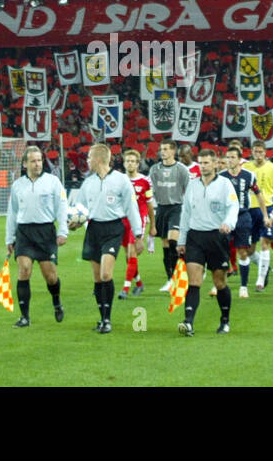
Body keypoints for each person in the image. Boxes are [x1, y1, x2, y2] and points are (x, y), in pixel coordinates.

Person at [74, 143, 143, 334]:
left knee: (106, 274)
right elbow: (78, 208)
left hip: (113, 228)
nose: (87, 161)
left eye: (89, 157)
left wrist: (138, 235)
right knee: (97, 278)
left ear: (98, 159)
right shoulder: (88, 183)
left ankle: (107, 319)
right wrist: (74, 222)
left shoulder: (121, 180)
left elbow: (132, 208)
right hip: (94, 229)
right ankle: (102, 317)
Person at [176, 149, 240, 336]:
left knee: (219, 282)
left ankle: (225, 320)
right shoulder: (192, 185)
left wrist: (228, 223)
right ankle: (188, 322)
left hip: (217, 237)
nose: (203, 166)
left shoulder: (225, 184)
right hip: (195, 237)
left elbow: (233, 206)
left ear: (215, 163)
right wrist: (182, 239)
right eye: (200, 163)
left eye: (206, 163)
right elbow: (186, 212)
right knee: (194, 281)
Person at [4, 146, 69, 328]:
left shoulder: (53, 182)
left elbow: (62, 207)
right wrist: (9, 238)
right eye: (33, 161)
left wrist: (63, 231)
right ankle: (24, 317)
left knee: (50, 276)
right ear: (25, 164)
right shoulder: (18, 185)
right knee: (24, 270)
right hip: (24, 232)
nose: (37, 164)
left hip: (45, 232)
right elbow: (12, 213)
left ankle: (56, 301)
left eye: (39, 160)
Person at [220, 145, 270, 299]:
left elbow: (259, 195)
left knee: (243, 252)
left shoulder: (249, 175)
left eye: (233, 157)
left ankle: (243, 287)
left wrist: (265, 215)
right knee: (222, 252)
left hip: (243, 216)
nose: (230, 160)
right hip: (225, 217)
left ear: (240, 160)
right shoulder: (221, 176)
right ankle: (219, 285)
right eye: (228, 157)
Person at [148, 138, 189, 292]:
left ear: (173, 151)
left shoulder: (181, 169)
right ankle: (171, 280)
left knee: (173, 242)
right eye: (161, 149)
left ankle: (180, 277)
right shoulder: (154, 170)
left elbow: (190, 191)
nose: (162, 152)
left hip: (177, 208)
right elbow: (149, 191)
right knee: (165, 246)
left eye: (166, 149)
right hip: (161, 210)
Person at [248, 140, 273, 290]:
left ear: (265, 153)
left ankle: (260, 281)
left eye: (261, 152)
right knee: (249, 250)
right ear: (252, 152)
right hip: (250, 210)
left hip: (268, 209)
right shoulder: (246, 167)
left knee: (265, 243)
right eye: (256, 152)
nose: (258, 155)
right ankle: (264, 267)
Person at [119, 149, 155, 299]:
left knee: (132, 253)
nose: (130, 164)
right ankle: (139, 284)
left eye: (133, 161)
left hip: (138, 220)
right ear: (124, 163)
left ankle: (125, 289)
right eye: (128, 161)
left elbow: (149, 204)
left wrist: (152, 225)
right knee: (128, 257)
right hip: (122, 220)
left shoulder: (145, 181)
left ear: (138, 163)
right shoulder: (119, 180)